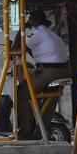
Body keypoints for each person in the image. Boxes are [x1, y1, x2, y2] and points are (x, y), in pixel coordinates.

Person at [13, 9, 71, 140]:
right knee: (49, 100)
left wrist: (22, 28)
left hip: (50, 72)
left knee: (21, 92)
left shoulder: (38, 32)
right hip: (63, 71)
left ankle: (25, 133)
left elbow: (17, 44)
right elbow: (37, 53)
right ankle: (40, 133)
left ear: (33, 22)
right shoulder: (50, 34)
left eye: (29, 20)